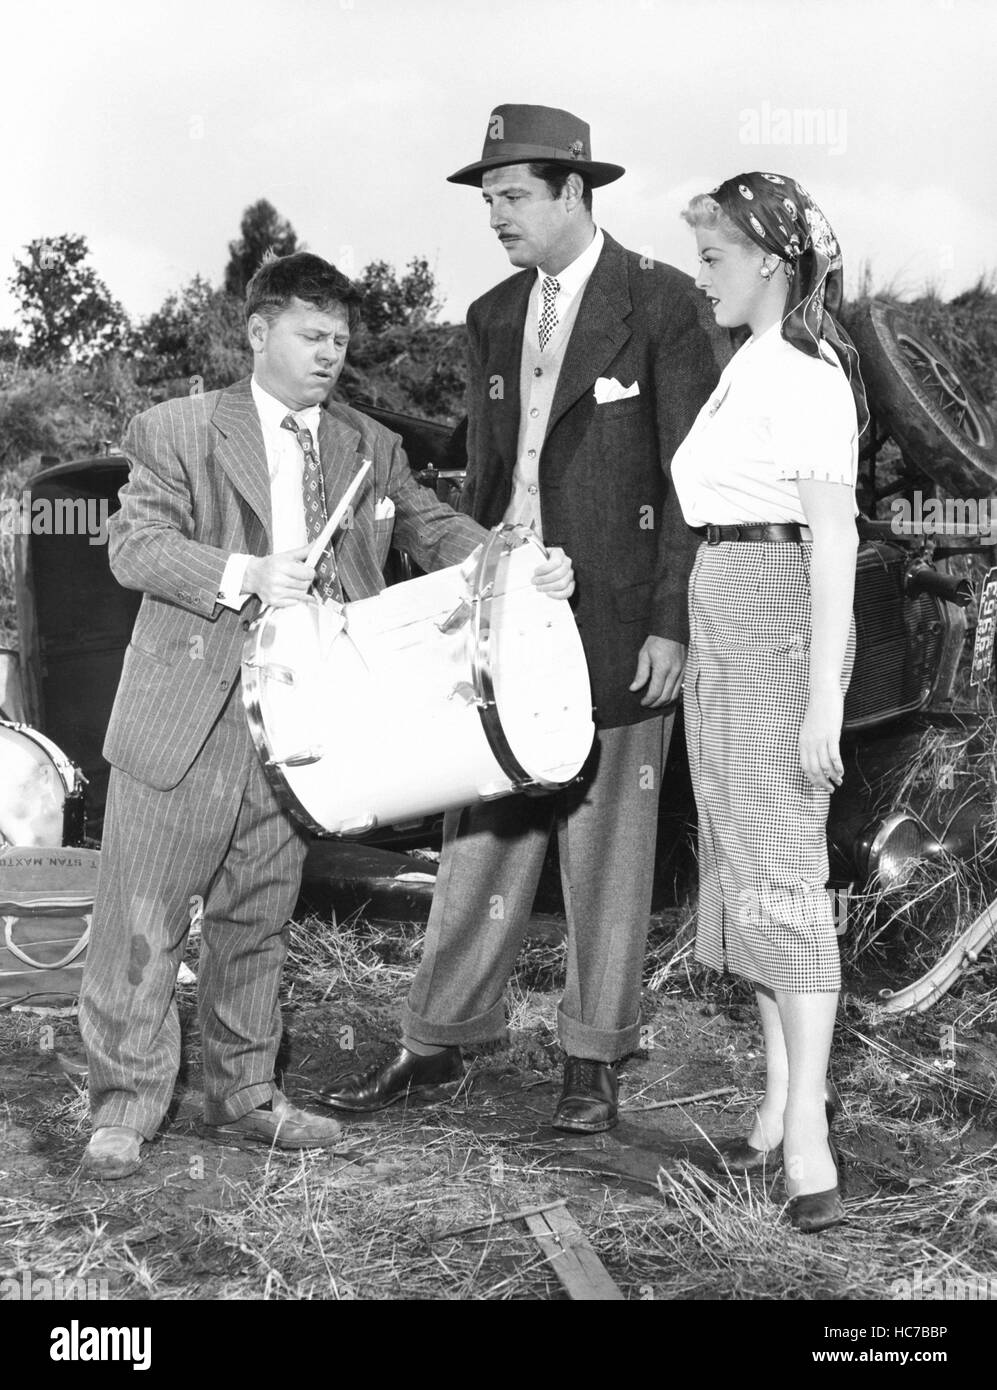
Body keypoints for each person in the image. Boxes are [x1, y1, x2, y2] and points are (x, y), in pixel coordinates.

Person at [79, 251, 573, 1179]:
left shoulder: (363, 442)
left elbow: (427, 523)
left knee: (257, 915)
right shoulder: (177, 427)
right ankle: (125, 1106)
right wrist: (246, 576)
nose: (330, 356)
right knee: (143, 916)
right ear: (259, 333)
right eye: (312, 336)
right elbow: (135, 546)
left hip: (311, 726)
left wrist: (514, 560)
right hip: (189, 711)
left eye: (341, 340)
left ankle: (245, 1093)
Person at [320, 105, 727, 1132]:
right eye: (486, 198)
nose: (493, 215)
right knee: (480, 833)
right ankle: (439, 1041)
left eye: (511, 196)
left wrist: (670, 623)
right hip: (506, 617)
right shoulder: (493, 316)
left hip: (622, 622)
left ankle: (592, 1066)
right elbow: (487, 468)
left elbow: (693, 481)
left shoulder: (664, 303)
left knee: (608, 845)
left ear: (573, 193)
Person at [670, 173, 867, 1232]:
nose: (704, 277)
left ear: (769, 264)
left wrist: (821, 698)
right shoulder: (745, 365)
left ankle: (810, 1141)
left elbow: (832, 536)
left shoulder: (806, 375)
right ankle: (781, 1095)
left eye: (714, 258)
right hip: (725, 606)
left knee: (786, 868)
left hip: (775, 606)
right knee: (746, 860)